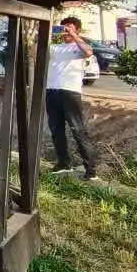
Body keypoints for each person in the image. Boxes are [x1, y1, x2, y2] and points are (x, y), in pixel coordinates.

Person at [46, 16, 100, 181]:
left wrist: (74, 36)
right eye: (64, 28)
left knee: (78, 130)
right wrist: (45, 34)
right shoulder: (55, 47)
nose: (66, 31)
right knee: (56, 130)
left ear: (77, 30)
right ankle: (64, 163)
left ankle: (91, 169)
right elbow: (35, 52)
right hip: (52, 91)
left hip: (70, 92)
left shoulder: (79, 47)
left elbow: (89, 51)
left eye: (69, 28)